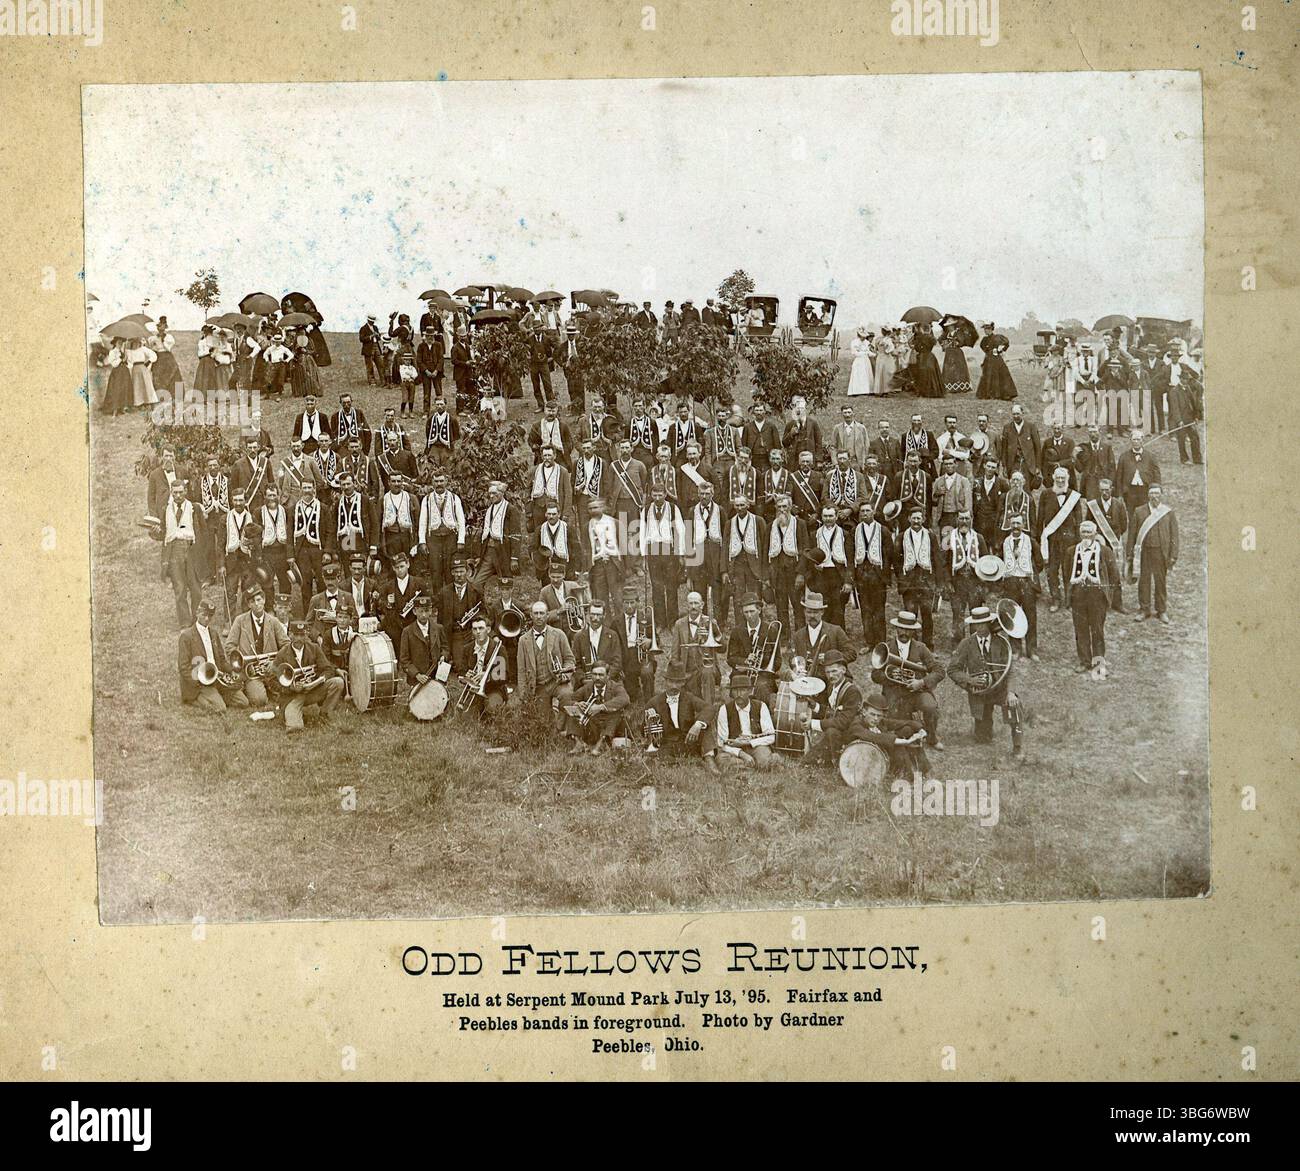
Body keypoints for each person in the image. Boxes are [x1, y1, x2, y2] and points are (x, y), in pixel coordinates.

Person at [946, 606, 1024, 757]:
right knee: (983, 739)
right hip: (980, 694)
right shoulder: (966, 644)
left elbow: (1010, 670)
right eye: (976, 624)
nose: (979, 627)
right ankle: (984, 728)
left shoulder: (1001, 642)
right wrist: (970, 680)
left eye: (983, 623)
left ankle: (1018, 746)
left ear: (989, 623)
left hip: (1000, 690)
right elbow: (952, 670)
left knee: (1015, 707)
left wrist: (1011, 692)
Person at [869, 610, 943, 748]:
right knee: (894, 722)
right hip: (894, 693)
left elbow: (939, 671)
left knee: (930, 706)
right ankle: (897, 739)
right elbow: (875, 675)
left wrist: (921, 682)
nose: (904, 632)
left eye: (909, 630)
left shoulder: (921, 648)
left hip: (917, 692)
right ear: (896, 628)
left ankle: (932, 738)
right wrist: (890, 676)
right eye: (901, 628)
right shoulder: (886, 647)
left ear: (913, 631)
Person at [642, 661, 718, 773]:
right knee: (660, 759)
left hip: (688, 740)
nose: (674, 686)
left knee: (704, 725)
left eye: (678, 682)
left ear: (683, 682)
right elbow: (643, 729)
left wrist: (697, 725)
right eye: (671, 681)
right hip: (667, 743)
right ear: (666, 681)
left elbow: (709, 708)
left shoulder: (689, 697)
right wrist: (651, 724)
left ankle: (710, 761)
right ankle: (681, 762)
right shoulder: (654, 702)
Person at [1066, 519, 1121, 674]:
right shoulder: (1071, 551)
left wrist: (1106, 593)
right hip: (1078, 595)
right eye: (1083, 532)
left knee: (1097, 629)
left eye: (1089, 532)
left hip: (1096, 595)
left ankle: (1098, 662)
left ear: (1095, 533)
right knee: (1080, 629)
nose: (1086, 535)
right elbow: (1066, 573)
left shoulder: (1104, 551)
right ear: (1079, 533)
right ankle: (1084, 661)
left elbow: (1114, 575)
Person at [273, 620, 345, 731]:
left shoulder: (314, 648)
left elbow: (328, 669)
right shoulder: (282, 653)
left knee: (338, 683)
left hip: (312, 691)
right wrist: (291, 687)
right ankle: (293, 713)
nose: (298, 639)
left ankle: (325, 714)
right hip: (292, 696)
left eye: (302, 635)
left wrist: (317, 682)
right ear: (290, 635)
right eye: (295, 635)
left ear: (306, 634)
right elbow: (273, 680)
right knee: (295, 727)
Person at [178, 599, 248, 712]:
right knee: (220, 708)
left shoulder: (214, 633)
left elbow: (221, 659)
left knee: (243, 702)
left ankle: (216, 696)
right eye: (204, 615)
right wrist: (198, 682)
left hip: (216, 678)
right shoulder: (186, 636)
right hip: (200, 683)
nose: (207, 619)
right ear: (197, 613)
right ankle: (194, 698)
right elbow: (183, 667)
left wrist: (231, 671)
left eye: (210, 616)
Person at [516, 601, 577, 731]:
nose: (539, 616)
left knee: (568, 695)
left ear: (547, 615)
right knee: (543, 724)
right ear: (531, 615)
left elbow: (570, 659)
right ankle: (554, 727)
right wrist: (523, 695)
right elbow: (521, 670)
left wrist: (565, 675)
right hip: (538, 686)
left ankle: (567, 729)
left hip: (556, 682)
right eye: (536, 613)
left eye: (542, 613)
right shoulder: (523, 640)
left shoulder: (559, 634)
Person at [225, 587, 288, 709]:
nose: (257, 604)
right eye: (253, 601)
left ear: (264, 600)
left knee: (288, 693)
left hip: (271, 670)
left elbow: (286, 645)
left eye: (259, 599)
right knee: (259, 701)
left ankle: (268, 689)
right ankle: (251, 687)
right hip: (251, 672)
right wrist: (241, 664)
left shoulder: (273, 621)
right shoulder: (240, 621)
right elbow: (229, 646)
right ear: (249, 604)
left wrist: (275, 662)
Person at [1038, 466, 1084, 613]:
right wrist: (1040, 538)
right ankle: (1055, 598)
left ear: (1067, 479)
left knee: (1068, 570)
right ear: (1053, 478)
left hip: (1069, 541)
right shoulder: (1046, 494)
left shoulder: (1074, 496)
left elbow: (1079, 520)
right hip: (1052, 540)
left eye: (1062, 478)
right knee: (1052, 570)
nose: (1060, 480)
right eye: (1057, 478)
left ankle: (1069, 599)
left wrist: (1078, 541)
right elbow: (1040, 518)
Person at [894, 506, 940, 648]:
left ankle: (928, 644)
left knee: (927, 615)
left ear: (923, 519)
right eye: (913, 518)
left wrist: (937, 582)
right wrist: (901, 578)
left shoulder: (930, 535)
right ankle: (911, 644)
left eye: (918, 518)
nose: (916, 521)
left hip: (926, 580)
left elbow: (936, 558)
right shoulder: (902, 536)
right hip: (909, 582)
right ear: (909, 519)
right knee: (910, 615)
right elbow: (896, 560)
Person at [1131, 484, 1178, 624]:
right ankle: (1144, 609)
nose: (1154, 496)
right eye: (1152, 493)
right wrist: (1130, 553)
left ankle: (1161, 610)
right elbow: (1132, 535)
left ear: (1161, 494)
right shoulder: (1139, 511)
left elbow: (1174, 536)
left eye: (1157, 493)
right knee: (1144, 581)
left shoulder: (1168, 512)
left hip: (1160, 552)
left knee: (1160, 581)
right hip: (1144, 552)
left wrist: (1173, 554)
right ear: (1148, 495)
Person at [789, 590, 856, 686]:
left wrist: (830, 658)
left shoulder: (836, 631)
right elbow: (793, 657)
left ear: (822, 612)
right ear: (804, 612)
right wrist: (797, 667)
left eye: (816, 612)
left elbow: (852, 653)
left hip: (831, 679)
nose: (812, 616)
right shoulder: (798, 635)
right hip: (808, 680)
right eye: (809, 612)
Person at [725, 593, 782, 704]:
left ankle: (761, 717)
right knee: (741, 687)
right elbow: (731, 658)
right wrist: (746, 661)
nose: (749, 615)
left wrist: (761, 661)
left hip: (763, 674)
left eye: (752, 611)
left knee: (761, 687)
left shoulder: (771, 630)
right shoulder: (737, 631)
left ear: (759, 610)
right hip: (741, 673)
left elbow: (778, 660)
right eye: (746, 612)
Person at [161, 479, 203, 627]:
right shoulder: (165, 509)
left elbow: (202, 531)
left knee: (196, 589)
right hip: (174, 550)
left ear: (185, 491)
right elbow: (162, 533)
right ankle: (185, 623)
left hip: (191, 549)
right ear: (171, 493)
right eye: (175, 493)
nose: (178, 495)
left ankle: (197, 620)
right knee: (179, 588)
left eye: (180, 492)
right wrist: (155, 532)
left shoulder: (194, 508)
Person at [714, 674, 777, 770]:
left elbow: (771, 737)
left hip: (756, 746)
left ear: (749, 691)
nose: (739, 694)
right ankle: (751, 765)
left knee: (764, 761)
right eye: (735, 690)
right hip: (734, 749)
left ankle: (744, 766)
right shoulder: (724, 709)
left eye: (742, 690)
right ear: (732, 692)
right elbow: (721, 742)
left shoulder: (761, 706)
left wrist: (748, 743)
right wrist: (741, 754)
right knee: (721, 759)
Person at [1000, 513, 1041, 660]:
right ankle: (1015, 649)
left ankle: (1032, 650)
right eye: (1013, 524)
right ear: (1010, 525)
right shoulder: (1005, 542)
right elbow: (1000, 561)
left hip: (1027, 583)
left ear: (1024, 525)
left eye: (1018, 523)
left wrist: (1029, 575)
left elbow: (1040, 563)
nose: (1016, 526)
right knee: (1013, 617)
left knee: (1030, 616)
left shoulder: (1031, 542)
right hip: (1011, 584)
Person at [471, 481, 522, 592]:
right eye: (490, 493)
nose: (491, 496)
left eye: (495, 493)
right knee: (476, 583)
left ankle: (506, 606)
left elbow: (516, 535)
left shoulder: (511, 510)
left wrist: (514, 558)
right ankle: (482, 607)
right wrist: (480, 554)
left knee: (506, 584)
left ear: (502, 493)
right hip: (489, 551)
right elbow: (485, 533)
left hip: (504, 551)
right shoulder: (489, 509)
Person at [1086, 478, 1129, 610]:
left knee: (1114, 573)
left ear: (1112, 489)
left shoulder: (1119, 504)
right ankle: (1100, 603)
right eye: (1102, 490)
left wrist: (1114, 537)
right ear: (1099, 490)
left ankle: (1117, 603)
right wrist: (1097, 536)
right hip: (1098, 544)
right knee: (1098, 573)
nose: (1105, 492)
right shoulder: (1093, 505)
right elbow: (1088, 523)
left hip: (1113, 544)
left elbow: (1123, 525)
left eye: (1107, 490)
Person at [399, 594, 449, 692]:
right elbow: (404, 659)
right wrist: (417, 675)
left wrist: (444, 656)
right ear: (414, 611)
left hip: (436, 675)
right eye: (420, 611)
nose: (424, 615)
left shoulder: (438, 628)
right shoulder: (407, 631)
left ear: (431, 611)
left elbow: (445, 648)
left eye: (426, 611)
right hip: (418, 678)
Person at [1115, 430, 1161, 523]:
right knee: (1132, 516)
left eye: (1138, 439)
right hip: (1129, 491)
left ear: (1142, 440)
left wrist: (1157, 490)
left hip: (1145, 490)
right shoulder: (1124, 456)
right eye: (1134, 439)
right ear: (1130, 440)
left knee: (1146, 515)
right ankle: (1133, 534)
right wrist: (1119, 494)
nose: (1136, 442)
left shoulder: (1151, 456)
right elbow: (1119, 476)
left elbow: (1157, 475)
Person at [997, 403, 1042, 487]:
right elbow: (1004, 449)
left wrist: (1038, 466)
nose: (1016, 416)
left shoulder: (1031, 427)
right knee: (1014, 486)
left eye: (1018, 414)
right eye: (1014, 414)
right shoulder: (1007, 428)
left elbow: (1037, 448)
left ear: (1022, 413)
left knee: (1026, 487)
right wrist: (1004, 466)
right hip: (1013, 463)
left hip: (1028, 464)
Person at [975, 322, 1017, 400]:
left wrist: (1000, 350)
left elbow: (1006, 343)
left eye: (987, 329)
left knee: (1001, 374)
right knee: (988, 375)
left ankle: (1002, 394)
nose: (985, 331)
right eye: (985, 330)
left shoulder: (998, 337)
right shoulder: (984, 339)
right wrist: (988, 351)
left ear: (991, 329)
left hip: (997, 359)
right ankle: (989, 394)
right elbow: (982, 346)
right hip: (988, 359)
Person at [940, 319, 973, 396]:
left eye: (950, 326)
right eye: (948, 326)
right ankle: (949, 387)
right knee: (949, 369)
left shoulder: (959, 333)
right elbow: (941, 341)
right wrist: (944, 344)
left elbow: (962, 342)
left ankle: (960, 387)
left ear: (953, 326)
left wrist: (957, 342)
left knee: (958, 368)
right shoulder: (946, 334)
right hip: (949, 353)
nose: (949, 327)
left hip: (957, 352)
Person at [910, 326, 944, 398]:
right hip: (930, 356)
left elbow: (917, 348)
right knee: (933, 371)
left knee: (921, 372)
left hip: (922, 356)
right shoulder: (932, 338)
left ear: (922, 329)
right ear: (929, 330)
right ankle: (933, 390)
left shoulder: (920, 338)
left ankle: (922, 391)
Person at [847, 327, 874, 396]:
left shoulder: (867, 342)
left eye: (865, 336)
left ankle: (866, 390)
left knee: (866, 375)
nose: (864, 338)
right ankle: (856, 391)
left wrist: (873, 354)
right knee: (859, 374)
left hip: (866, 360)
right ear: (859, 335)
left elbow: (868, 351)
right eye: (862, 336)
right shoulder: (854, 342)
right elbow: (854, 353)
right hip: (859, 360)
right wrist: (864, 353)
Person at [871, 329, 896, 397]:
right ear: (888, 333)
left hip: (880, 357)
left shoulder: (878, 339)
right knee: (886, 373)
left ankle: (879, 390)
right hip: (886, 357)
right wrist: (887, 350)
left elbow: (875, 349)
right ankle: (886, 390)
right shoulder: (888, 340)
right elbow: (890, 349)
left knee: (879, 373)